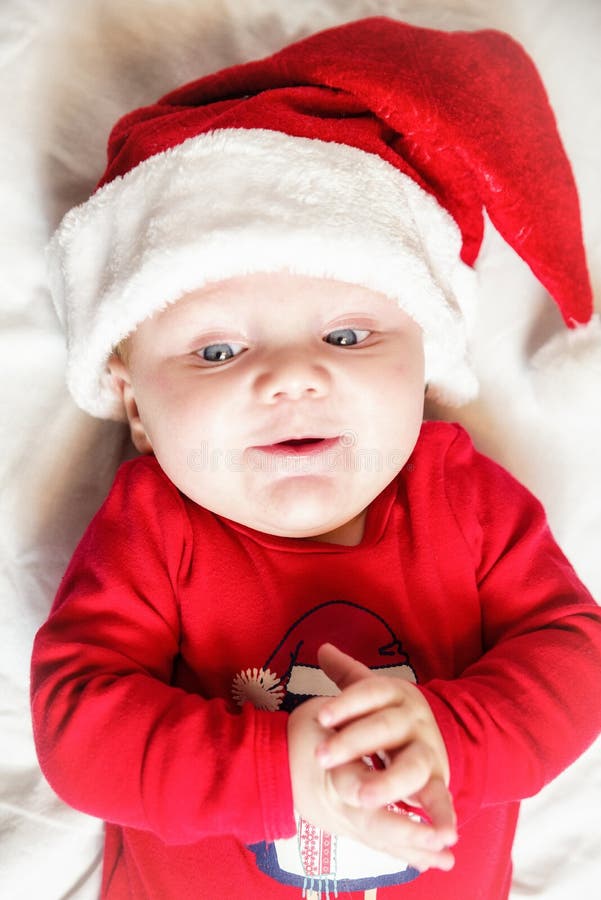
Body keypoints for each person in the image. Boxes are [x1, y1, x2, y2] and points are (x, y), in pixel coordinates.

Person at [30, 17, 601, 900]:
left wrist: (448, 734)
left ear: (424, 362)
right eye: (216, 353)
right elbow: (80, 730)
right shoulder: (157, 526)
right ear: (136, 405)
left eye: (345, 334)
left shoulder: (463, 498)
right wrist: (280, 770)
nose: (294, 377)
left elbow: (574, 659)